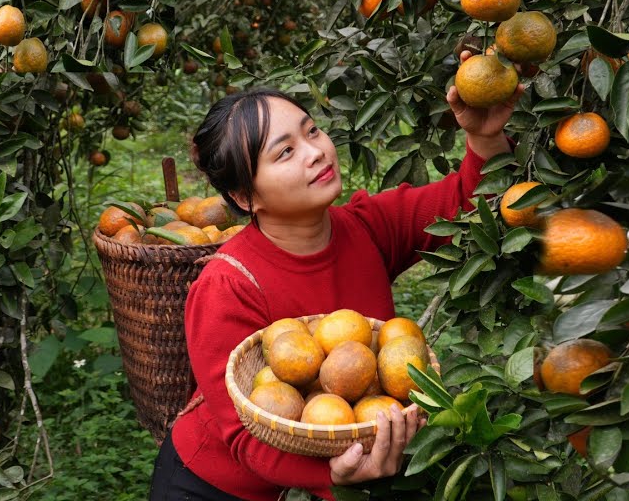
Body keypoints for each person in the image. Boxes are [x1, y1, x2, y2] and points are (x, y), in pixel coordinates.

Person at [149, 64, 521, 501]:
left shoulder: (368, 228)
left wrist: (485, 136)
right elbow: (241, 435)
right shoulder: (227, 285)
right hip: (212, 486)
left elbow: (469, 202)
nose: (315, 152)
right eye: (285, 152)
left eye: (312, 132)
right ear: (245, 197)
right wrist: (334, 476)